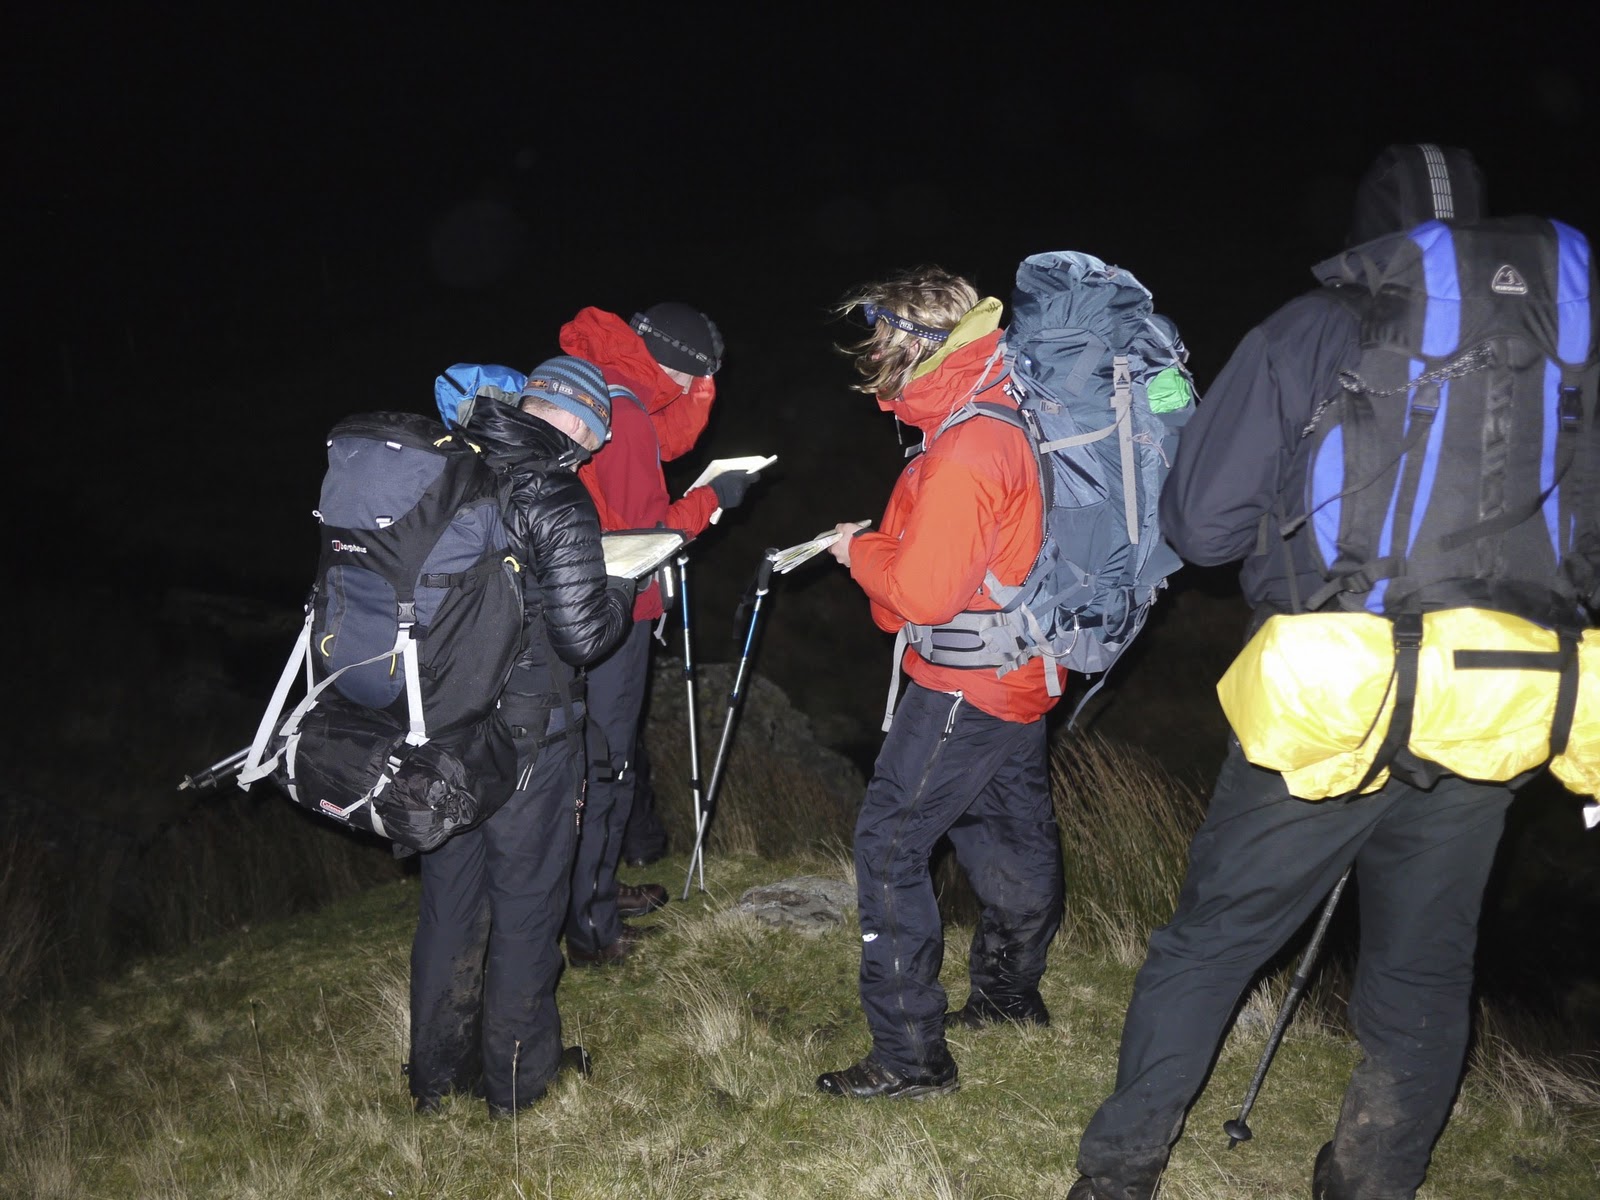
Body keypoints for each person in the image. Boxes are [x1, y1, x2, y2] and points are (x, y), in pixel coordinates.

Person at [1068, 144, 1560, 1200]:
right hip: (1500, 692)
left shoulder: (1312, 330)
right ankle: (1369, 1178)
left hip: (1335, 687)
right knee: (1424, 964)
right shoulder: (1558, 349)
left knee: (1212, 942)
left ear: (1366, 228)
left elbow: (1201, 527)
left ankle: (1119, 1172)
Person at [817, 267, 1065, 1100]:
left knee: (888, 846)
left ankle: (910, 1058)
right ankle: (1008, 996)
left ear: (918, 345)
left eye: (882, 342)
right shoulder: (1002, 404)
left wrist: (857, 550)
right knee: (1011, 835)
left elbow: (923, 595)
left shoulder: (965, 447)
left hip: (965, 681)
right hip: (1020, 670)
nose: (874, 358)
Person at [408, 355, 634, 1115]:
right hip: (531, 738)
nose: (596, 450)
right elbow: (583, 637)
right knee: (528, 907)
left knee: (450, 906)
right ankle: (518, 1084)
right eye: (596, 433)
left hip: (442, 732)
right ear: (573, 418)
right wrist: (621, 587)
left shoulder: (448, 468)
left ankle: (437, 1080)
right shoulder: (552, 489)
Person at [557, 302, 762, 964]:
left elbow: (664, 441)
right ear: (669, 367)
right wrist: (712, 500)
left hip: (576, 605)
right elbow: (645, 536)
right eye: (690, 378)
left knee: (593, 759)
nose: (689, 390)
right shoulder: (622, 415)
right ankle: (592, 929)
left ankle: (593, 890)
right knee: (606, 766)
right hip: (613, 611)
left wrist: (700, 388)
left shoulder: (605, 384)